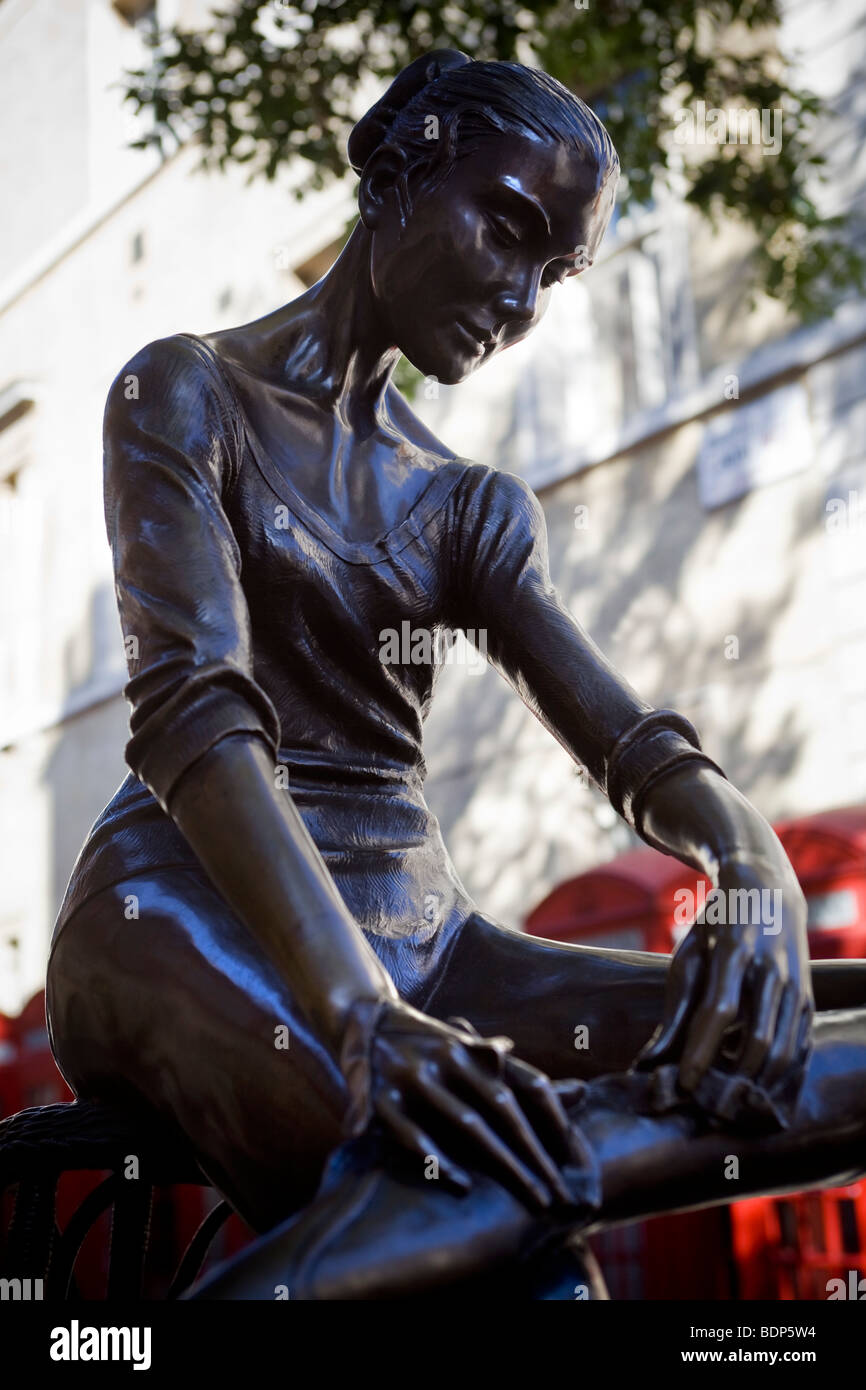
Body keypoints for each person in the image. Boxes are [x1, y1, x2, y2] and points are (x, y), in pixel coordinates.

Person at [46, 52, 866, 1299]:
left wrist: (750, 870)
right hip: (183, 908)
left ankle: (564, 1164)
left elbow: (627, 740)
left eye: (558, 272)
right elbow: (196, 719)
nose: (525, 299)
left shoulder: (469, 504)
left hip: (432, 942)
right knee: (496, 1231)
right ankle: (566, 1170)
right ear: (392, 178)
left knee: (806, 1030)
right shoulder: (188, 392)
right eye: (508, 229)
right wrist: (363, 1018)